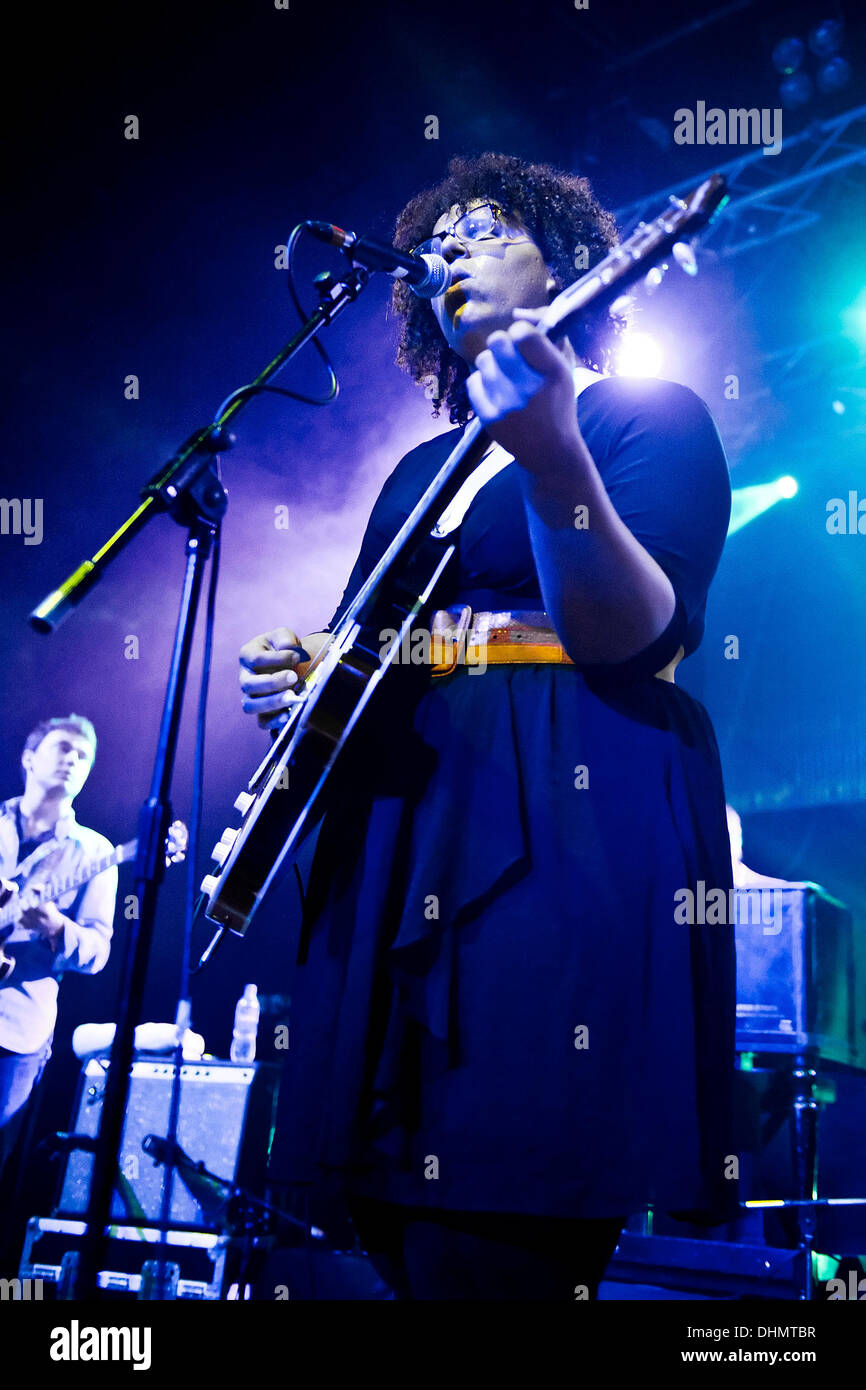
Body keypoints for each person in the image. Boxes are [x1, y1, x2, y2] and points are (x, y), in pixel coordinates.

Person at [237, 153, 736, 1300]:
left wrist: (553, 448)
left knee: (504, 1208)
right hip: (404, 838)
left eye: (486, 228)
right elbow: (365, 657)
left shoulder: (643, 413)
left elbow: (636, 637)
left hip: (562, 836)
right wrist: (305, 678)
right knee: (398, 1224)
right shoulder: (416, 468)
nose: (452, 248)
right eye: (441, 237)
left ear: (565, 267)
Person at [0, 715, 117, 1176]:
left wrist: (54, 924)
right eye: (62, 747)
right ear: (29, 758)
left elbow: (97, 952)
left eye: (83, 756)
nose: (73, 759)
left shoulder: (97, 854)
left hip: (16, 1035)